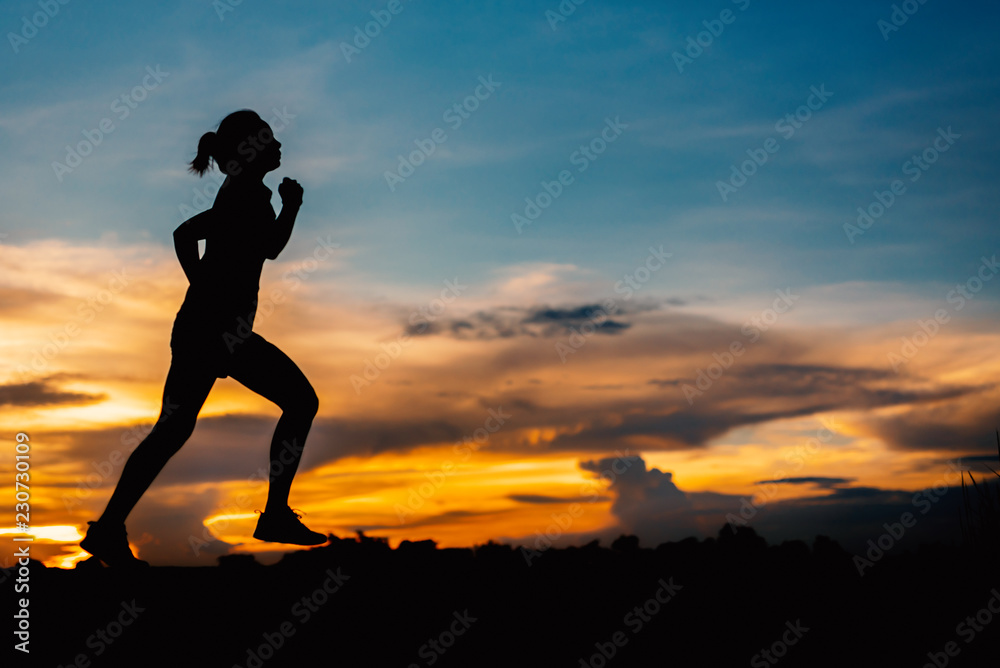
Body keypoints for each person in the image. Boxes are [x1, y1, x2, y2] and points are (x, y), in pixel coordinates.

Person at [81, 110, 326, 568]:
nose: (278, 146)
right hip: (218, 334)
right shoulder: (249, 196)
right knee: (301, 401)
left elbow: (185, 234)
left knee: (171, 431)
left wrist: (201, 291)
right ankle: (273, 516)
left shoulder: (242, 193)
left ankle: (108, 528)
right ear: (248, 150)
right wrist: (293, 204)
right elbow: (270, 247)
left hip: (206, 329)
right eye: (269, 140)